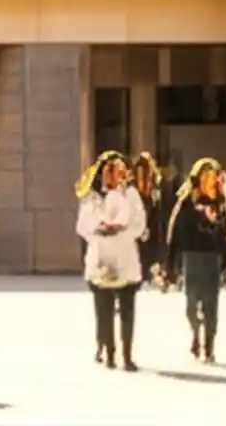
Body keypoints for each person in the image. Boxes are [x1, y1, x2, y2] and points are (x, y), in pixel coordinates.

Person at [75, 150, 145, 372]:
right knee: (103, 311)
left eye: (119, 171)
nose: (115, 175)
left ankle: (127, 354)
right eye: (110, 170)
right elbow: (83, 227)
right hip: (100, 259)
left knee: (127, 310)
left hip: (125, 258)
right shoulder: (92, 197)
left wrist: (120, 230)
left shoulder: (131, 195)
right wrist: (100, 230)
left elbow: (139, 223)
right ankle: (108, 350)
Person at [167, 157, 226, 363]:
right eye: (206, 176)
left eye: (213, 176)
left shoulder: (221, 203)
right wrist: (170, 264)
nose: (210, 180)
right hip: (191, 257)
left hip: (212, 258)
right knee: (191, 306)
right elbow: (174, 232)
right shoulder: (186, 202)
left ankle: (209, 346)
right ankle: (195, 333)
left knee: (211, 306)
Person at [130, 153, 168, 290]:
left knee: (151, 251)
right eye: (139, 173)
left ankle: (153, 275)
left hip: (152, 225)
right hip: (136, 227)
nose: (143, 176)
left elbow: (158, 208)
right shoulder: (131, 190)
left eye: (145, 172)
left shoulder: (155, 188)